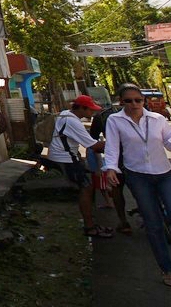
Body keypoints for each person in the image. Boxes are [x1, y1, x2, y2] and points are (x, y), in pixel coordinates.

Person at [103, 84, 171, 292]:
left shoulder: (157, 119)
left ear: (143, 101)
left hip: (164, 174)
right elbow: (112, 146)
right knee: (153, 224)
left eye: (137, 100)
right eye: (128, 101)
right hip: (137, 176)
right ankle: (166, 269)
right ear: (121, 102)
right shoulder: (115, 120)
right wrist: (111, 167)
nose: (133, 104)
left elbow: (169, 145)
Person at [49, 94, 109, 238]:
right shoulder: (73, 122)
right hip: (66, 158)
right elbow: (94, 146)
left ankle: (90, 223)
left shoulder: (65, 115)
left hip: (64, 156)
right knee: (86, 188)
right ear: (81, 108)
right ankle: (89, 226)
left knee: (86, 187)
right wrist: (119, 144)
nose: (92, 113)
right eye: (90, 110)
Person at [89, 99, 132, 235]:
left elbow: (93, 139)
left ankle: (123, 222)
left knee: (117, 189)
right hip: (136, 157)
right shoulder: (137, 113)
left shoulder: (100, 117)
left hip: (116, 157)